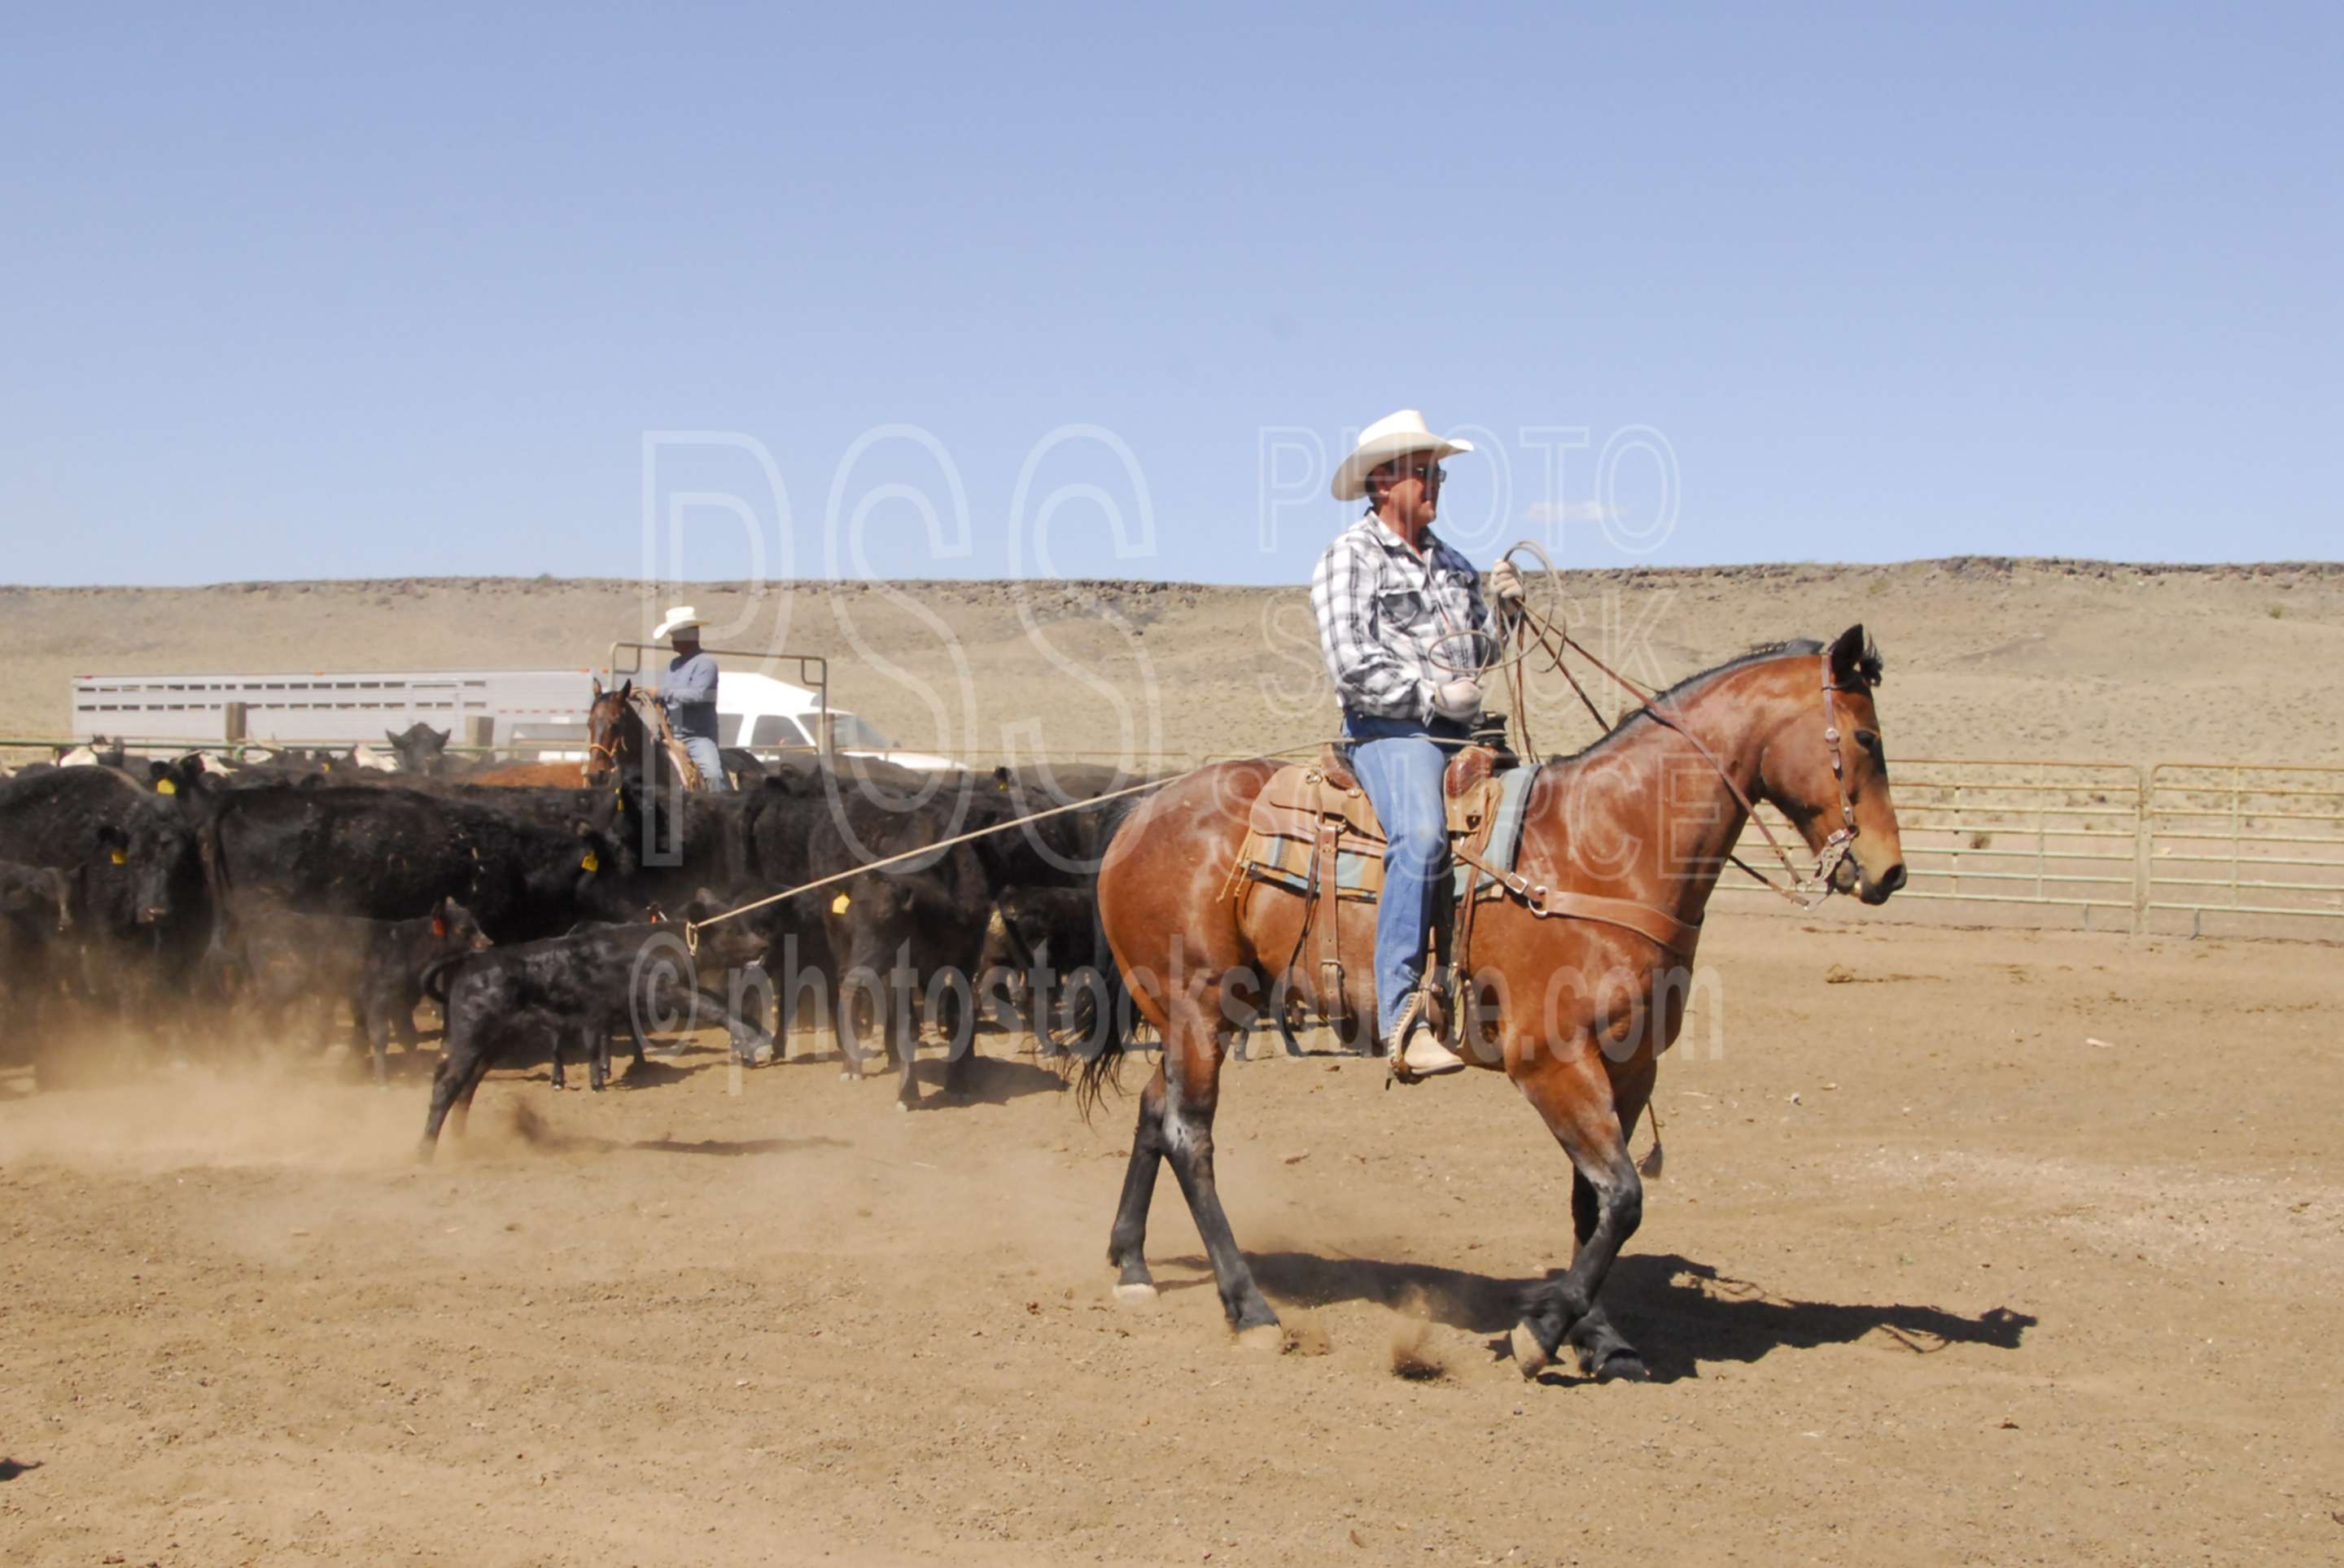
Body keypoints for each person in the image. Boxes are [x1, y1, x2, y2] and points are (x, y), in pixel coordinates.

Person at [1310, 410, 1524, 1080]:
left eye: (1438, 473)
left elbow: (1479, 655)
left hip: (1460, 733)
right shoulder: (1350, 556)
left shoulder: (1455, 565)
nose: (1435, 483)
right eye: (1423, 472)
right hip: (1390, 731)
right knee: (1423, 836)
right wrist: (1432, 697)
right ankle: (1403, 1016)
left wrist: (1506, 617)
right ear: (1382, 482)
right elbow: (1351, 664)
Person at [648, 606, 730, 793]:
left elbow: (699, 695)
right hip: (669, 735)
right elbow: (668, 698)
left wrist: (661, 692)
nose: (672, 640)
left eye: (675, 635)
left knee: (712, 775)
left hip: (697, 738)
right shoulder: (673, 665)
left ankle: (717, 806)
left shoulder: (705, 663)